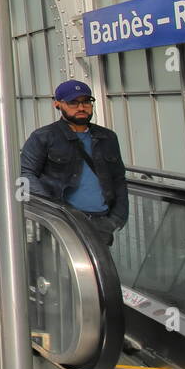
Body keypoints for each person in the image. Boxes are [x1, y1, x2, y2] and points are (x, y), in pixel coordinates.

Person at [20, 80, 127, 246]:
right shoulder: (43, 136)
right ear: (58, 104)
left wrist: (115, 220)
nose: (81, 107)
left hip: (101, 223)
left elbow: (119, 179)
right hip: (62, 222)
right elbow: (25, 174)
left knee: (97, 271)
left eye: (86, 102)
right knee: (60, 270)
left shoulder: (108, 137)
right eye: (73, 102)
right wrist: (52, 212)